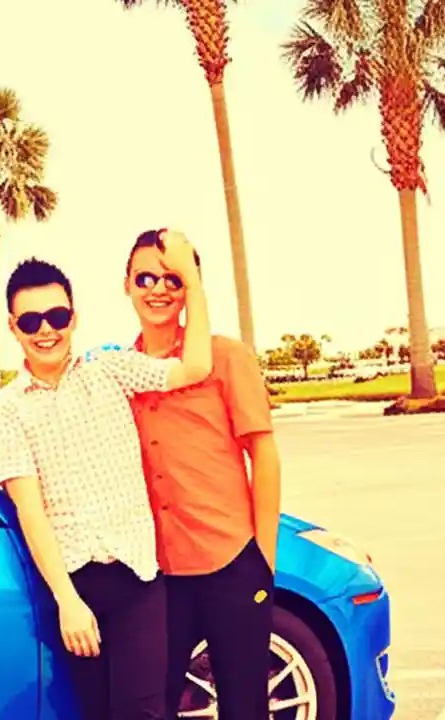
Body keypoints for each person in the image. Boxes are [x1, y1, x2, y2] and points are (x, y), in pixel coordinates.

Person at [0, 230, 212, 720]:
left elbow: (194, 368)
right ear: (13, 327)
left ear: (74, 317)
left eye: (57, 316)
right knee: (94, 712)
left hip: (138, 579)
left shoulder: (110, 369)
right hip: (75, 586)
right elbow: (31, 511)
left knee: (145, 712)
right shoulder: (7, 408)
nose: (46, 330)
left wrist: (191, 282)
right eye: (31, 321)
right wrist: (67, 601)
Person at [120, 229, 283, 720]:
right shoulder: (120, 372)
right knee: (156, 705)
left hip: (231, 563)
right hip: (158, 576)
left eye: (173, 279)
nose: (158, 289)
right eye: (145, 277)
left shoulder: (226, 357)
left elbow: (264, 454)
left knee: (244, 707)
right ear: (126, 285)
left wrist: (263, 559)